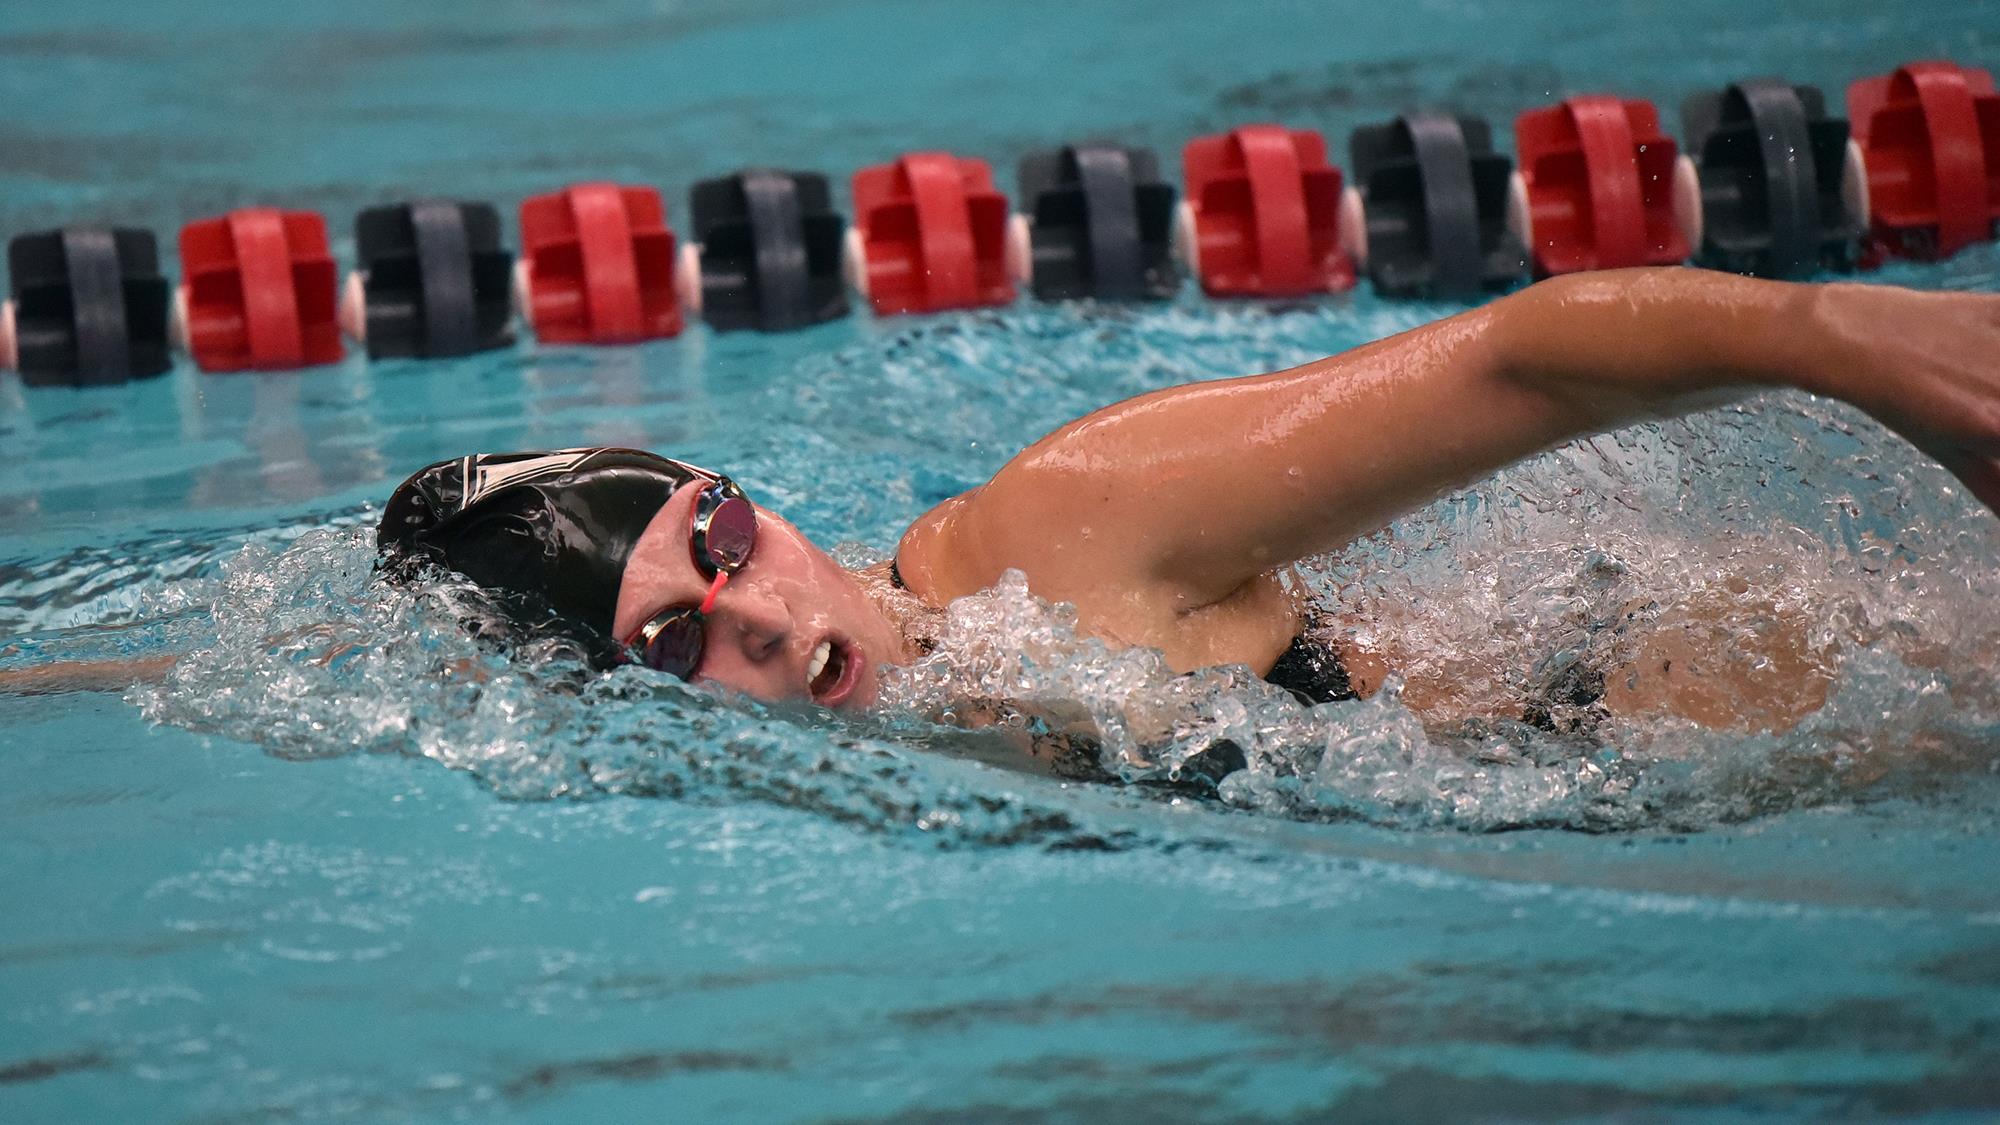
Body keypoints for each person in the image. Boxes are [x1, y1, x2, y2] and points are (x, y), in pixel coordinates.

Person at [12, 268, 2000, 731]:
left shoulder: (1060, 531)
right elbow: (259, 670)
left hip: (1762, 689)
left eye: (723, 539)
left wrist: (1858, 342)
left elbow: (1517, 358)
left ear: (749, 493)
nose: (772, 615)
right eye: (675, 638)